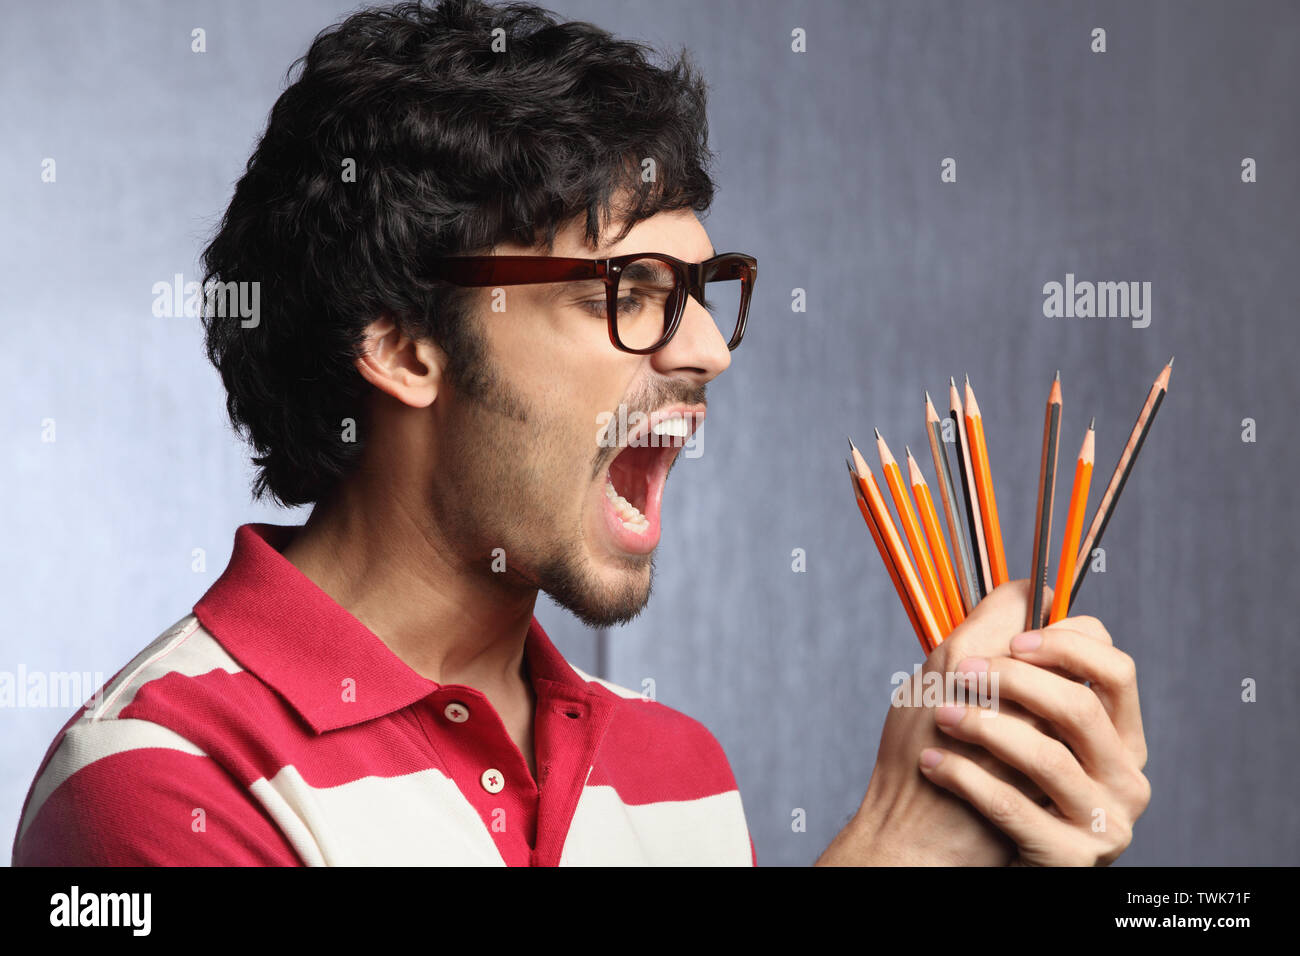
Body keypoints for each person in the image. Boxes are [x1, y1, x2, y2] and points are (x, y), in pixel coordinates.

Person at [12, 0, 1148, 866]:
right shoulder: (160, 782)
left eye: (703, 287)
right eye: (635, 287)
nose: (708, 347)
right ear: (407, 344)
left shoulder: (678, 772)